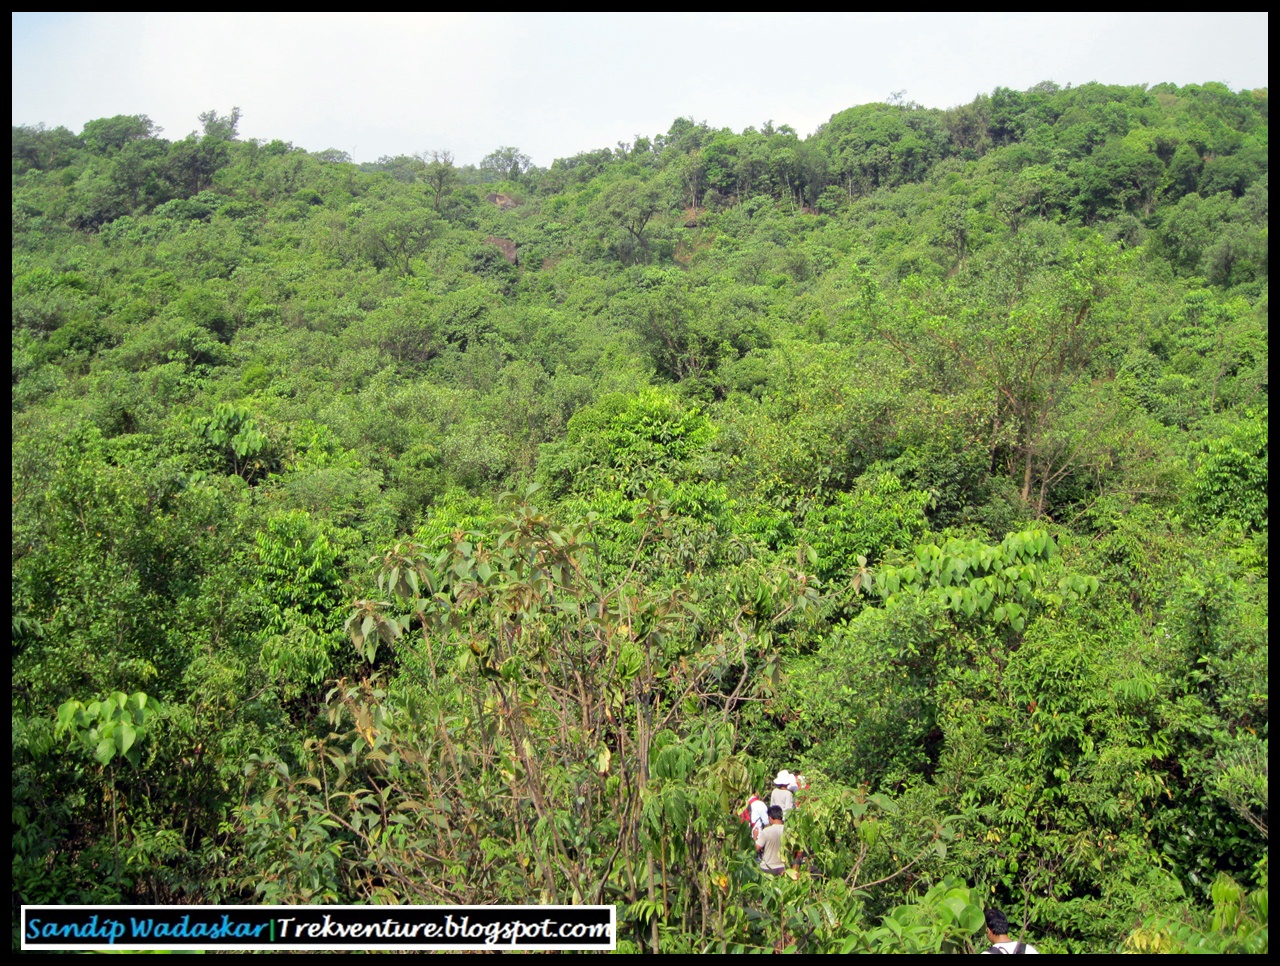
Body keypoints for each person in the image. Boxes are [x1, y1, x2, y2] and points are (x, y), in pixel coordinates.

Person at [757, 805, 786, 875]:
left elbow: (757, 847)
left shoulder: (766, 831)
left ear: (770, 818)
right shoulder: (787, 830)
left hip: (767, 867)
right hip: (783, 867)